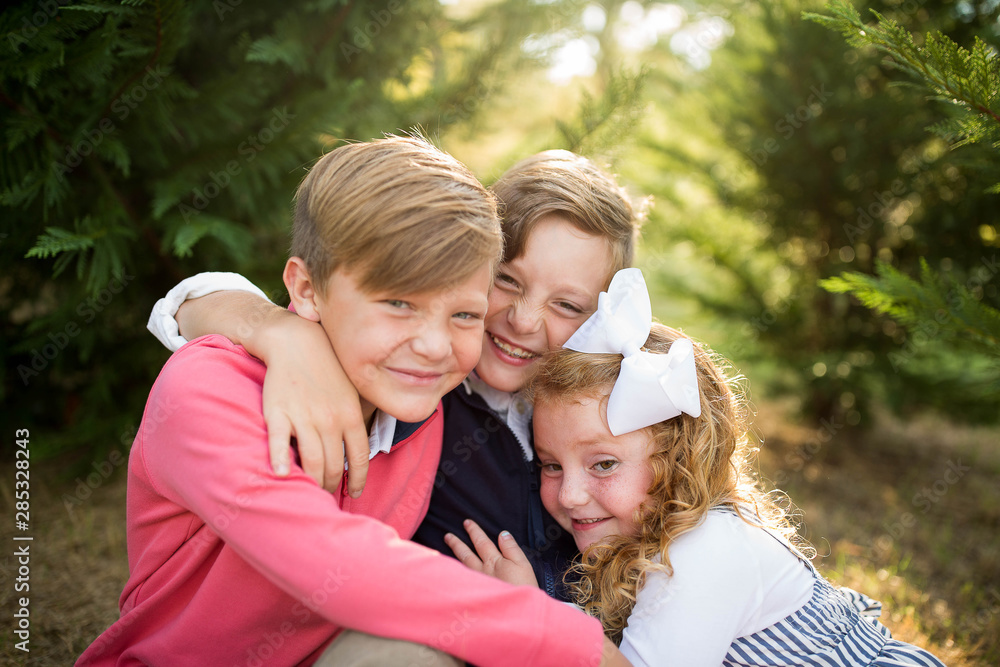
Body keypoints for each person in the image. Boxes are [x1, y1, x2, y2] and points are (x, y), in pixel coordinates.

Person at [79, 136, 627, 667]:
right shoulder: (210, 391)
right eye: (399, 303)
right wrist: (560, 636)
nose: (435, 346)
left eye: (463, 314)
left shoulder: (425, 408)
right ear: (308, 289)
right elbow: (332, 562)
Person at [452, 268, 948, 666]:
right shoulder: (651, 542)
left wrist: (532, 613)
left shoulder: (701, 550)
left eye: (603, 463)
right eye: (552, 466)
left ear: (681, 461)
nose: (570, 495)